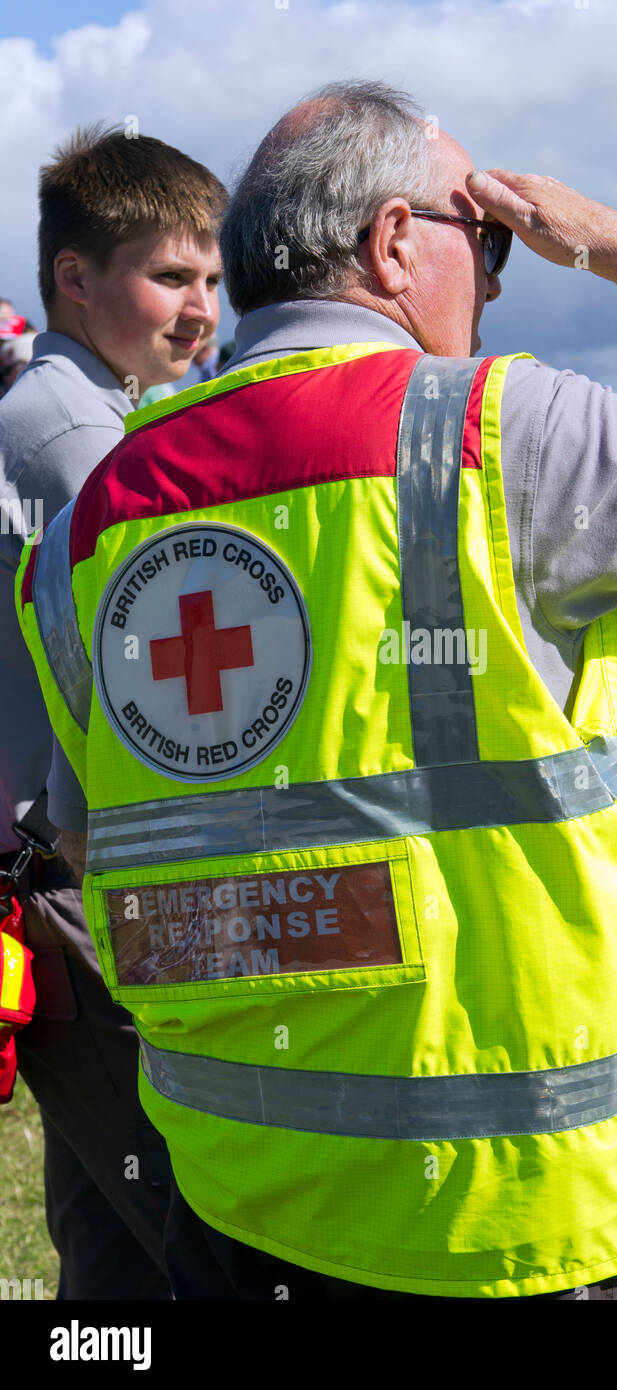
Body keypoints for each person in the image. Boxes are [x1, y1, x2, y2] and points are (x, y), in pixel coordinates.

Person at [17, 79, 617, 1301]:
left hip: (238, 1205)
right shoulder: (501, 433)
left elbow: (106, 845)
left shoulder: (93, 524)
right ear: (394, 240)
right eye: (496, 241)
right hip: (522, 1218)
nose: (503, 279)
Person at [0, 123, 225, 1298]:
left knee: (103, 1221)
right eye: (170, 276)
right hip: (74, 882)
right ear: (74, 279)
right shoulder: (78, 436)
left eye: (213, 278)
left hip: (50, 874)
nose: (201, 310)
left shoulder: (85, 416)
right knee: (193, 1212)